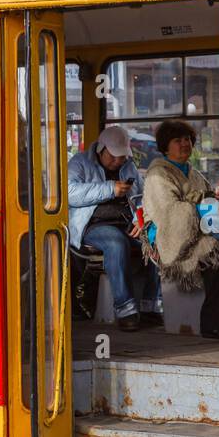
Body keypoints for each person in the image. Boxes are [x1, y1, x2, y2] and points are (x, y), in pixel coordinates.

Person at [69, 125, 160, 331]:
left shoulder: (128, 166)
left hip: (127, 223)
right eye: (113, 156)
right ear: (101, 149)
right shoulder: (79, 163)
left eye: (121, 156)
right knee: (115, 242)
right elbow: (70, 193)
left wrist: (142, 218)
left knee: (156, 239)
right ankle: (125, 309)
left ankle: (151, 305)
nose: (118, 161)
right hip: (93, 225)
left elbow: (143, 196)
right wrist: (110, 189)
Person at [143, 119, 219, 339]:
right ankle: (212, 324)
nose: (184, 144)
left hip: (198, 231)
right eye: (177, 140)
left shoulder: (194, 173)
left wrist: (215, 198)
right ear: (165, 146)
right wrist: (203, 207)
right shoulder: (157, 175)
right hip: (169, 238)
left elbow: (204, 201)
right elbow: (169, 213)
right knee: (217, 254)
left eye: (188, 139)